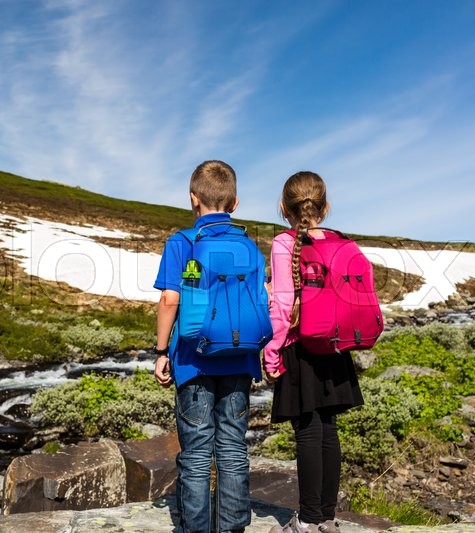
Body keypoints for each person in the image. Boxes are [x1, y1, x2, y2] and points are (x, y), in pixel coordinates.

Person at [153, 160, 265, 533]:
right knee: (233, 448)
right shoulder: (249, 246)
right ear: (234, 203)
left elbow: (171, 299)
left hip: (193, 360)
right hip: (240, 359)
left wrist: (160, 352)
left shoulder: (182, 243)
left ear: (193, 199)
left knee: (197, 454)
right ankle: (233, 528)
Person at [264, 171, 364, 533]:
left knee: (307, 431)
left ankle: (305, 522)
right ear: (326, 206)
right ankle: (326, 518)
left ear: (283, 208)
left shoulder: (283, 243)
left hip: (300, 346)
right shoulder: (341, 242)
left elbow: (282, 305)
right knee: (329, 430)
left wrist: (272, 353)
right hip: (336, 348)